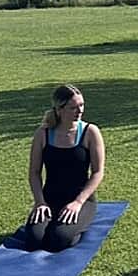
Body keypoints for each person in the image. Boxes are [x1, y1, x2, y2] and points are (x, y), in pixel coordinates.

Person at [26, 84, 106, 251]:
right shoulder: (43, 134)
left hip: (81, 199)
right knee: (34, 240)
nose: (80, 111)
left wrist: (78, 202)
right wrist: (40, 202)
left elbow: (98, 172)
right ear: (59, 110)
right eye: (73, 108)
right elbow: (34, 172)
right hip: (50, 198)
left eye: (81, 105)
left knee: (59, 239)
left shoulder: (90, 132)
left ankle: (78, 222)